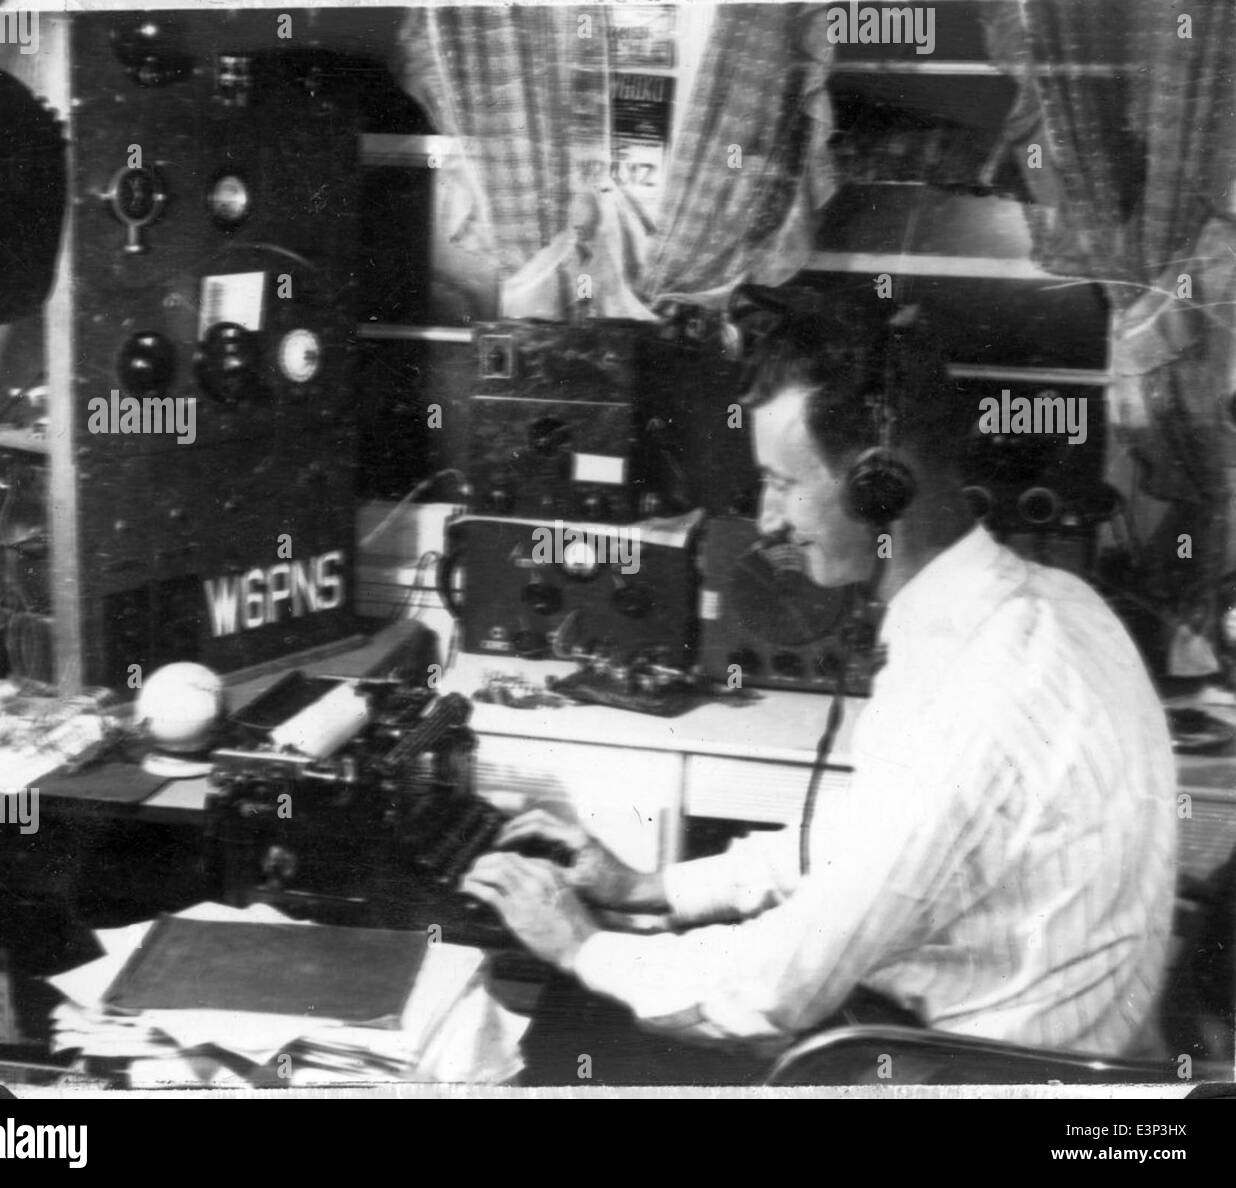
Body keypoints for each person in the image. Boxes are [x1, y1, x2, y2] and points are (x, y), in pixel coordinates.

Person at [460, 295, 1178, 1085]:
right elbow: (863, 844)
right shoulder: (1049, 604)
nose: (766, 520)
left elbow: (777, 990)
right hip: (1033, 1040)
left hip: (984, 1075)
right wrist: (652, 886)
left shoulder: (978, 695)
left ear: (879, 491)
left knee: (569, 1023)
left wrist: (579, 942)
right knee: (596, 998)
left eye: (780, 484)